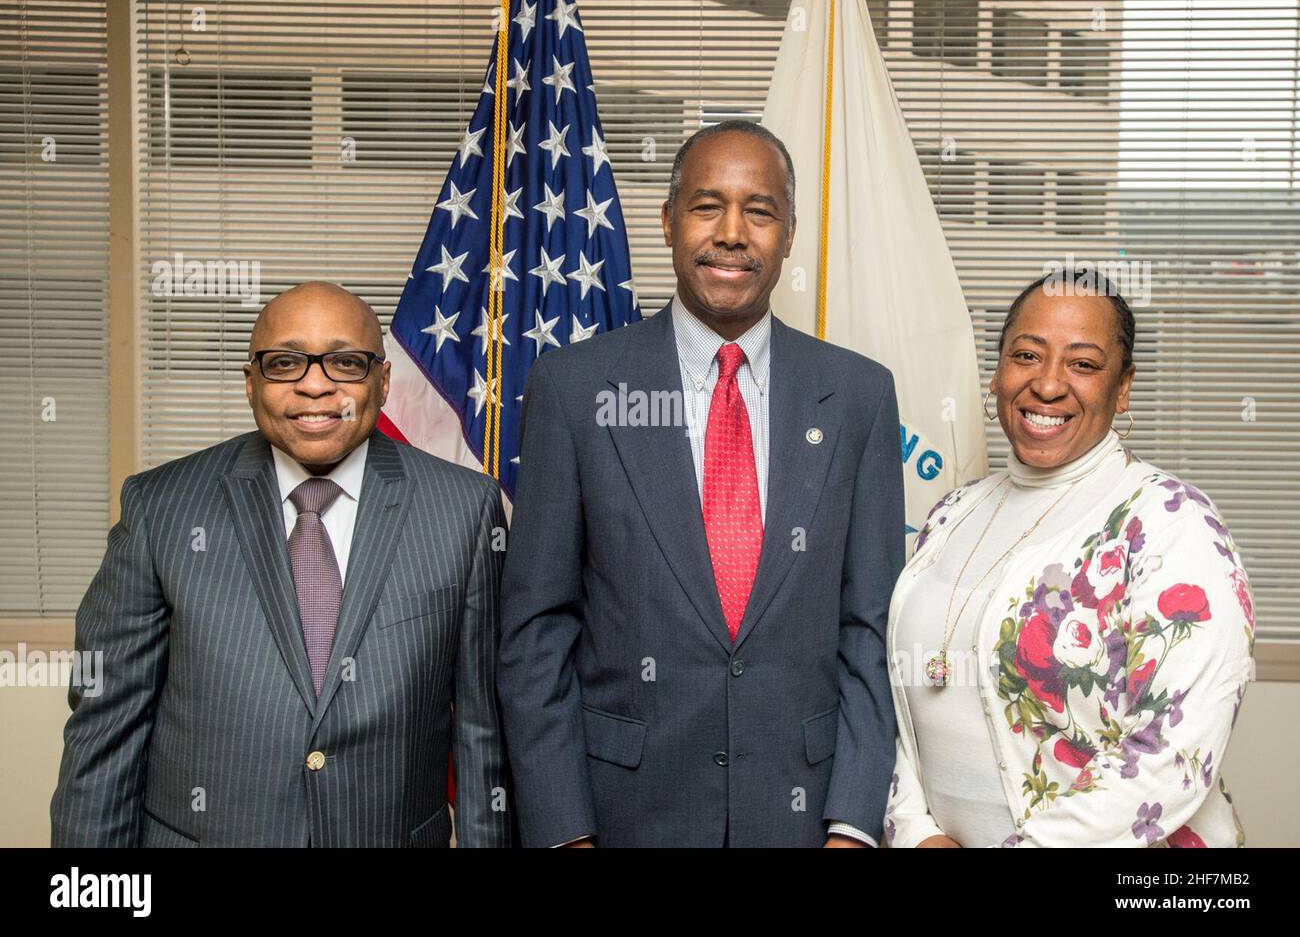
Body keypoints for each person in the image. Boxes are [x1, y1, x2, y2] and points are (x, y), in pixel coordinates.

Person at [498, 120, 903, 847]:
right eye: (707, 204)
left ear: (788, 232)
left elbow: (868, 629)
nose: (732, 232)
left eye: (761, 209)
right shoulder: (574, 388)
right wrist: (564, 832)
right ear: (668, 221)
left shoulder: (860, 396)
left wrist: (853, 822)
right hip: (622, 815)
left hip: (805, 817)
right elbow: (537, 631)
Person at [51, 282, 510, 847]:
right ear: (251, 382)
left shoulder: (465, 510)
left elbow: (483, 733)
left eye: (345, 362)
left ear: (383, 382)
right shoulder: (160, 508)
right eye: (285, 362)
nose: (314, 385)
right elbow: (104, 737)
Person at [886, 268, 1254, 848]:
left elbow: (1170, 752)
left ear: (1123, 386)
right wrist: (914, 834)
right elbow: (900, 707)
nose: (1048, 385)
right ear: (998, 369)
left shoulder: (1173, 523)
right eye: (1027, 355)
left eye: (1083, 364)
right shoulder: (951, 514)